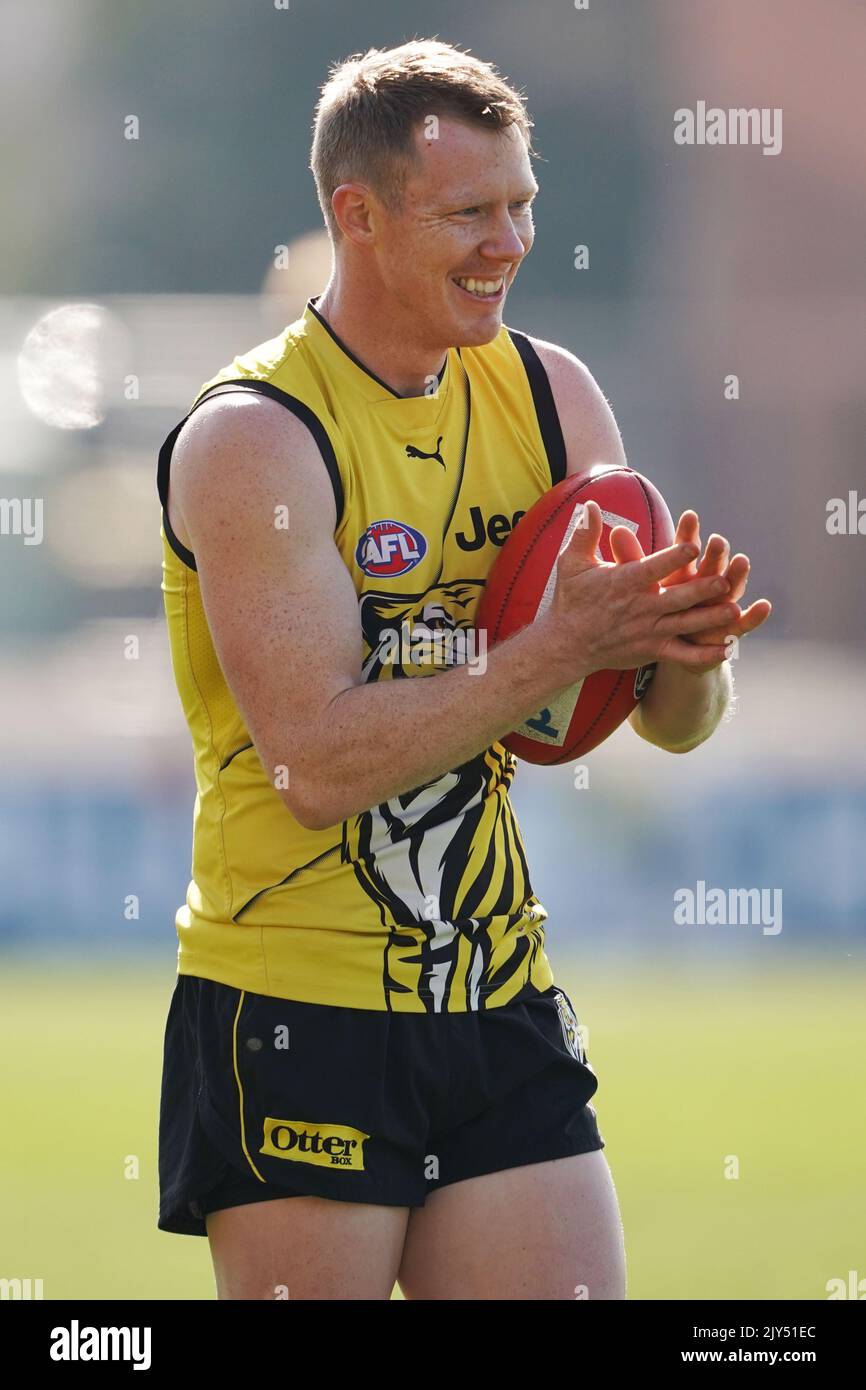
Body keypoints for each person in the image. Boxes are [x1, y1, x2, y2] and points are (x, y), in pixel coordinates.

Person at [155, 39, 771, 1300]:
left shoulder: (552, 397)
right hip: (293, 1008)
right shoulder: (253, 439)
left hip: (497, 990)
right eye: (468, 213)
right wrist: (558, 645)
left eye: (521, 205)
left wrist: (686, 655)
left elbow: (665, 724)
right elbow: (316, 764)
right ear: (357, 215)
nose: (510, 243)